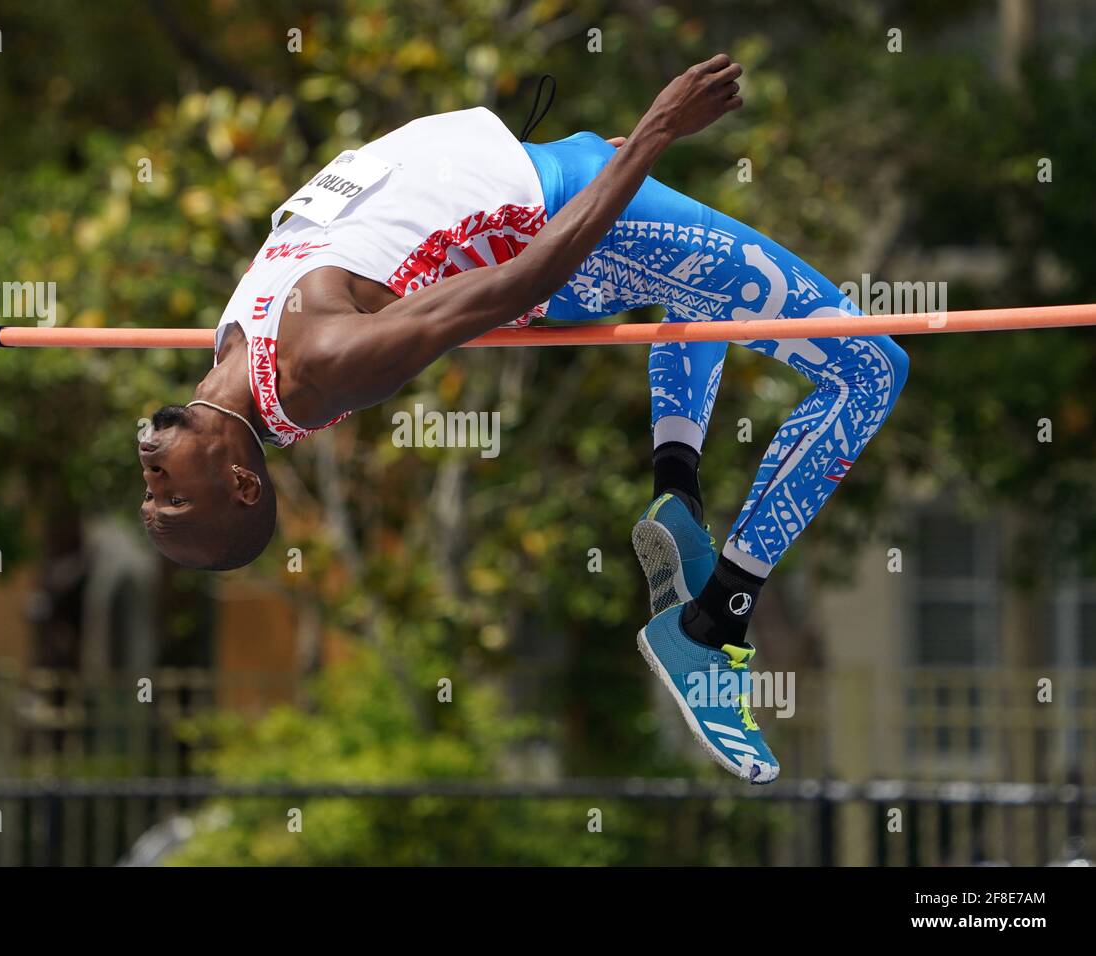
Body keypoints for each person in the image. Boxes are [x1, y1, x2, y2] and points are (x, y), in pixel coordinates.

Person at [139, 54, 907, 783]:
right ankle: (716, 627)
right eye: (169, 494)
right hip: (575, 216)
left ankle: (678, 497)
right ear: (241, 484)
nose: (147, 477)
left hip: (548, 168)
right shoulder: (327, 361)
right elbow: (524, 278)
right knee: (873, 368)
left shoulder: (228, 351)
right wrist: (656, 130)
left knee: (700, 296)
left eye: (148, 495)